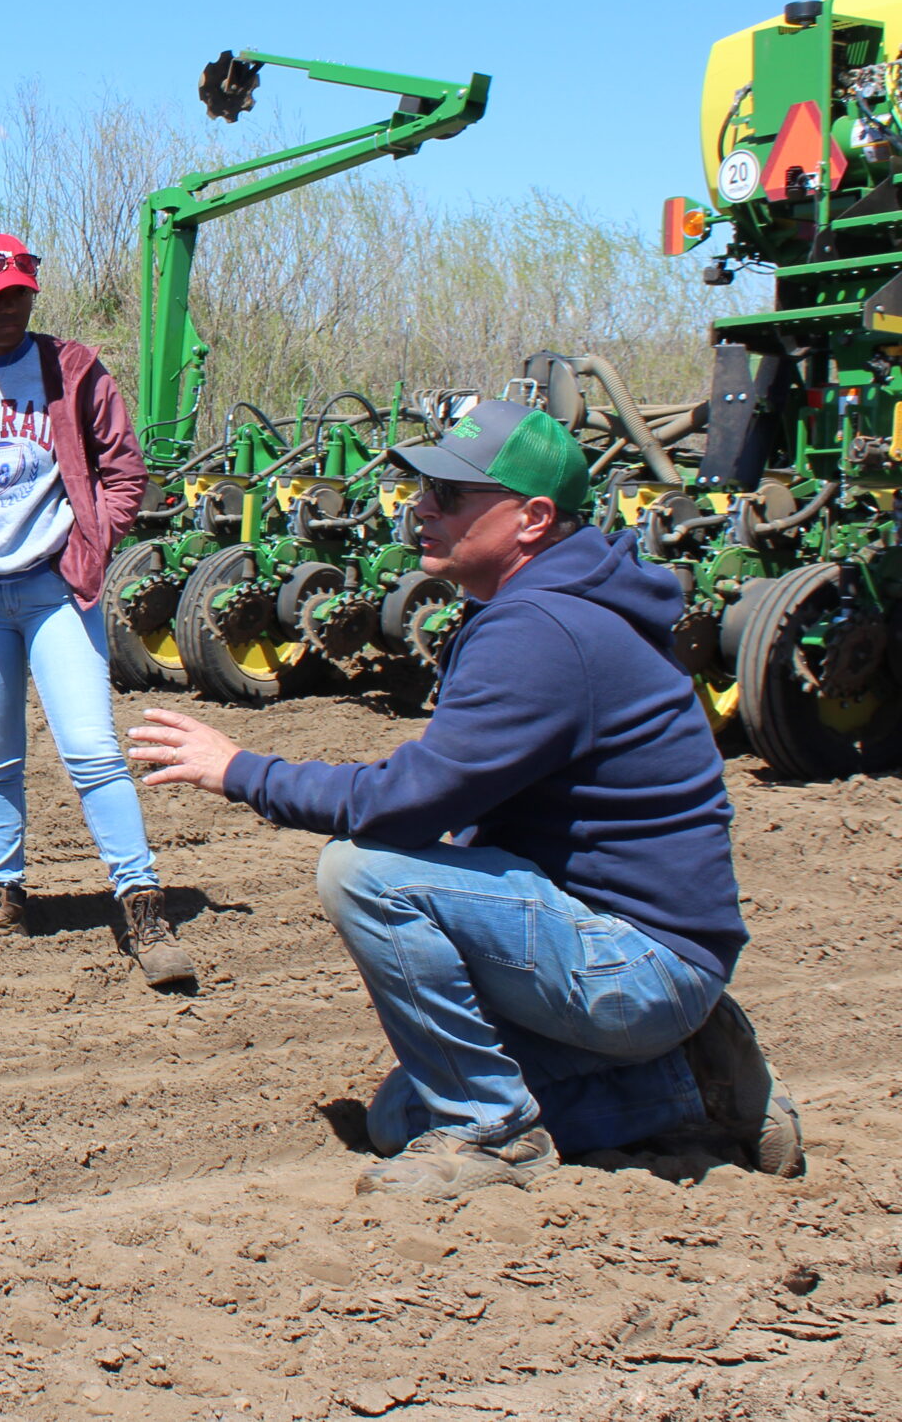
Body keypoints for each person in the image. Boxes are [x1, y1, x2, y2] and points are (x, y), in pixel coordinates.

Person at [127, 400, 803, 1198]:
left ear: (533, 518)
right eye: (425, 489)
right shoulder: (547, 605)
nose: (422, 507)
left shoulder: (543, 629)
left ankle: (494, 1132)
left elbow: (414, 798)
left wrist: (243, 770)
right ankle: (696, 1086)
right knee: (399, 1118)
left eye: (449, 495)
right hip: (622, 945)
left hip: (638, 959)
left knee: (363, 871)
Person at [0, 234, 192, 985]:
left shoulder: (73, 371)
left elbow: (124, 470)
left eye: (19, 295)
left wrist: (92, 540)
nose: (8, 309)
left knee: (91, 749)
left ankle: (143, 904)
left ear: (32, 294)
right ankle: (2, 897)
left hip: (55, 589)